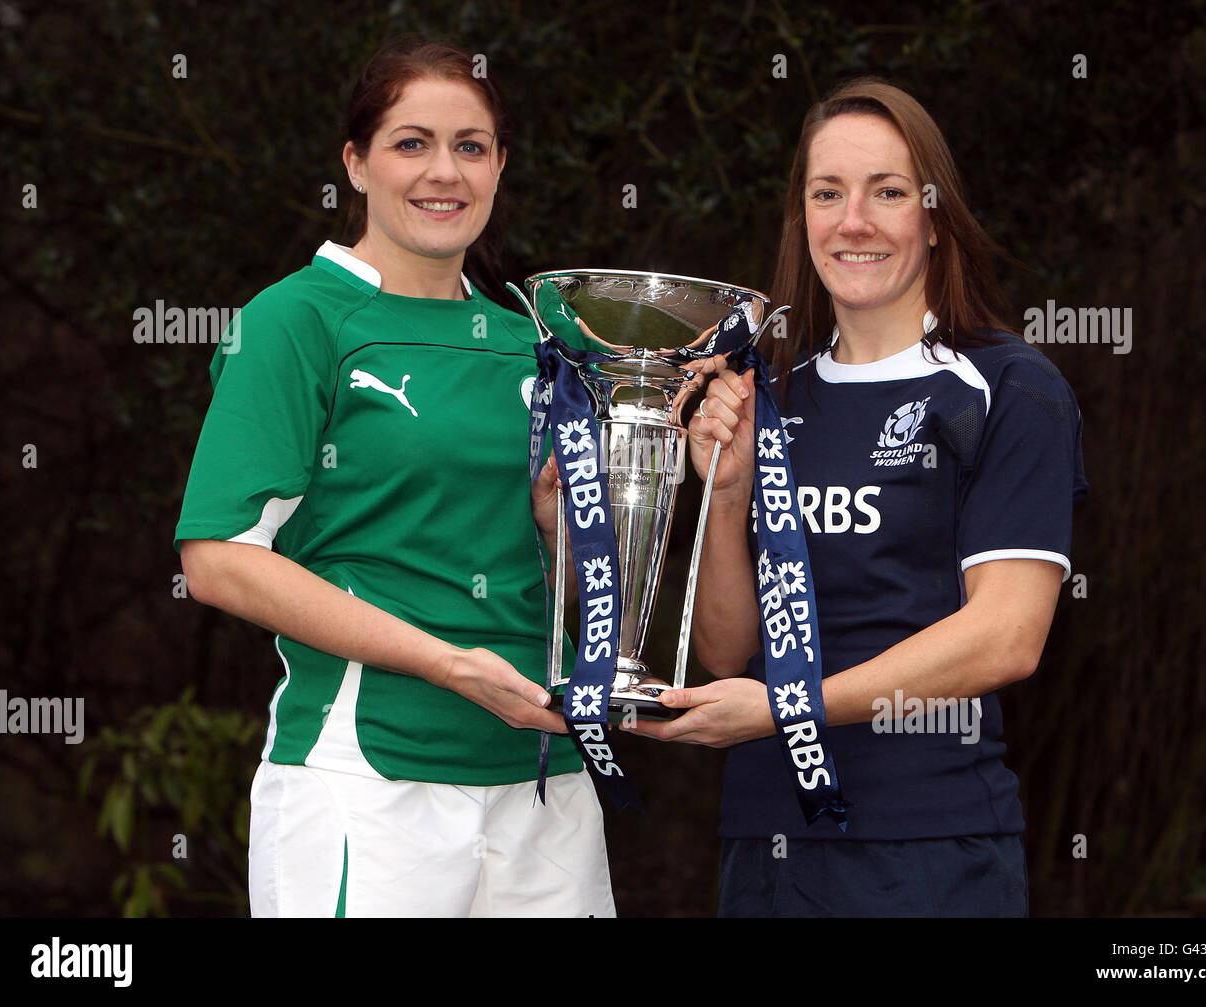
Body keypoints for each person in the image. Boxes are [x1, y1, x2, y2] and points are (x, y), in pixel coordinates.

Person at [174, 37, 613, 918]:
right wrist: (447, 664)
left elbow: (565, 573)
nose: (443, 172)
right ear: (356, 163)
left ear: (499, 166)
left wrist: (564, 526)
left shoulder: (537, 340)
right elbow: (216, 558)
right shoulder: (297, 319)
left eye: (471, 146)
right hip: (368, 784)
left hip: (548, 781)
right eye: (411, 143)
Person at [628, 78, 1086, 916]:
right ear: (802, 219)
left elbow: (1007, 636)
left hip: (931, 843)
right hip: (767, 841)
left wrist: (786, 710)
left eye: (888, 192)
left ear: (936, 216)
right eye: (828, 193)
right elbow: (730, 655)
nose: (855, 221)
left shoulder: (1009, 387)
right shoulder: (768, 393)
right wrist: (725, 494)